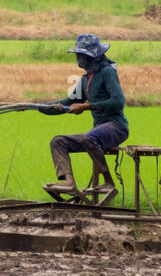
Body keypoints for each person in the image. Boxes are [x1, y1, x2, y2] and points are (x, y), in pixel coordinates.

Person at [38, 34, 129, 196]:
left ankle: (109, 182)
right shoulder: (87, 78)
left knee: (89, 138)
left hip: (116, 127)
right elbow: (68, 101)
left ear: (90, 56)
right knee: (58, 142)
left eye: (80, 55)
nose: (78, 59)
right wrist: (38, 107)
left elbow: (118, 101)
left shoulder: (107, 72)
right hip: (99, 130)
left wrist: (87, 106)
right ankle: (69, 183)